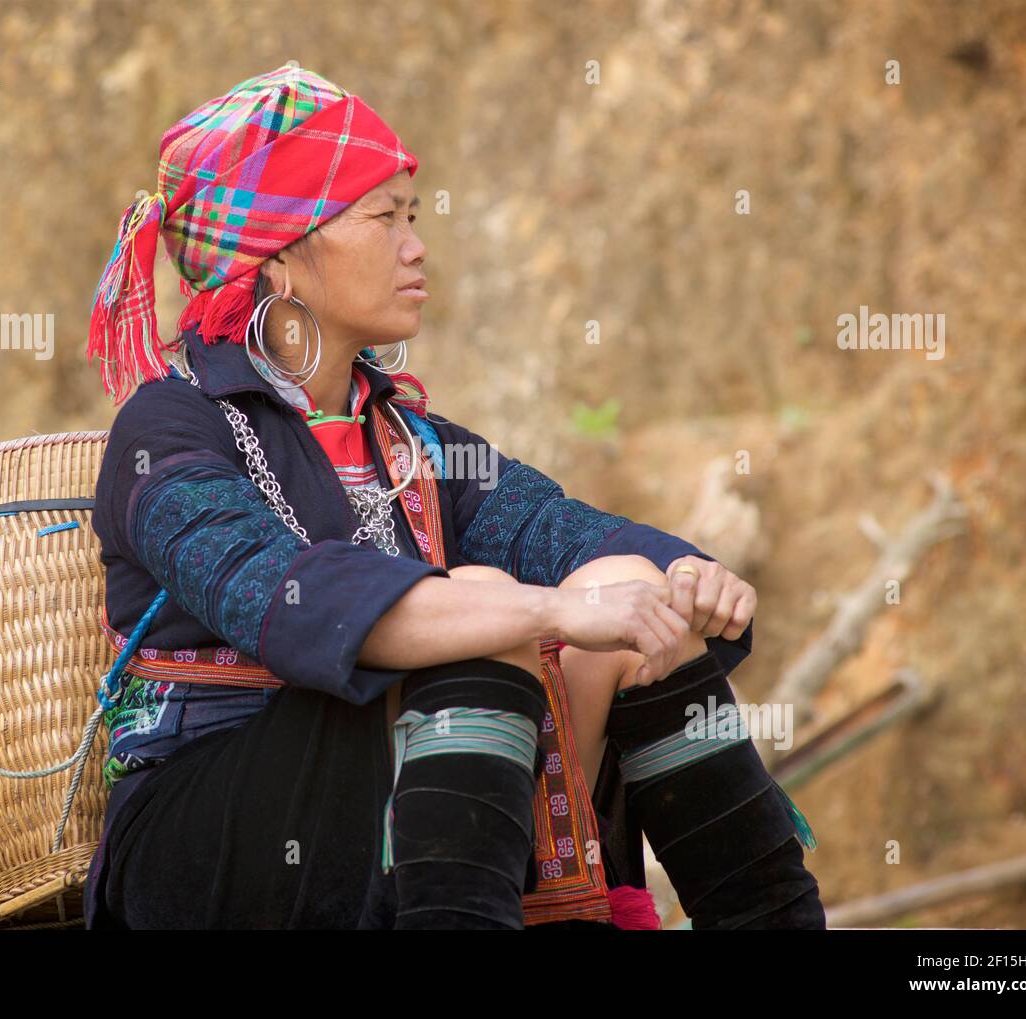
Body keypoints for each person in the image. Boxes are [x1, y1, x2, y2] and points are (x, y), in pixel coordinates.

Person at [81, 64, 825, 930]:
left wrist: (688, 577)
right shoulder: (169, 428)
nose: (416, 245)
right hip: (212, 839)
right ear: (281, 251)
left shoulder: (413, 442)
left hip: (393, 802)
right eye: (383, 217)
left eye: (414, 216)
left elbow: (560, 531)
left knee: (635, 604)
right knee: (488, 615)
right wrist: (542, 610)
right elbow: (282, 600)